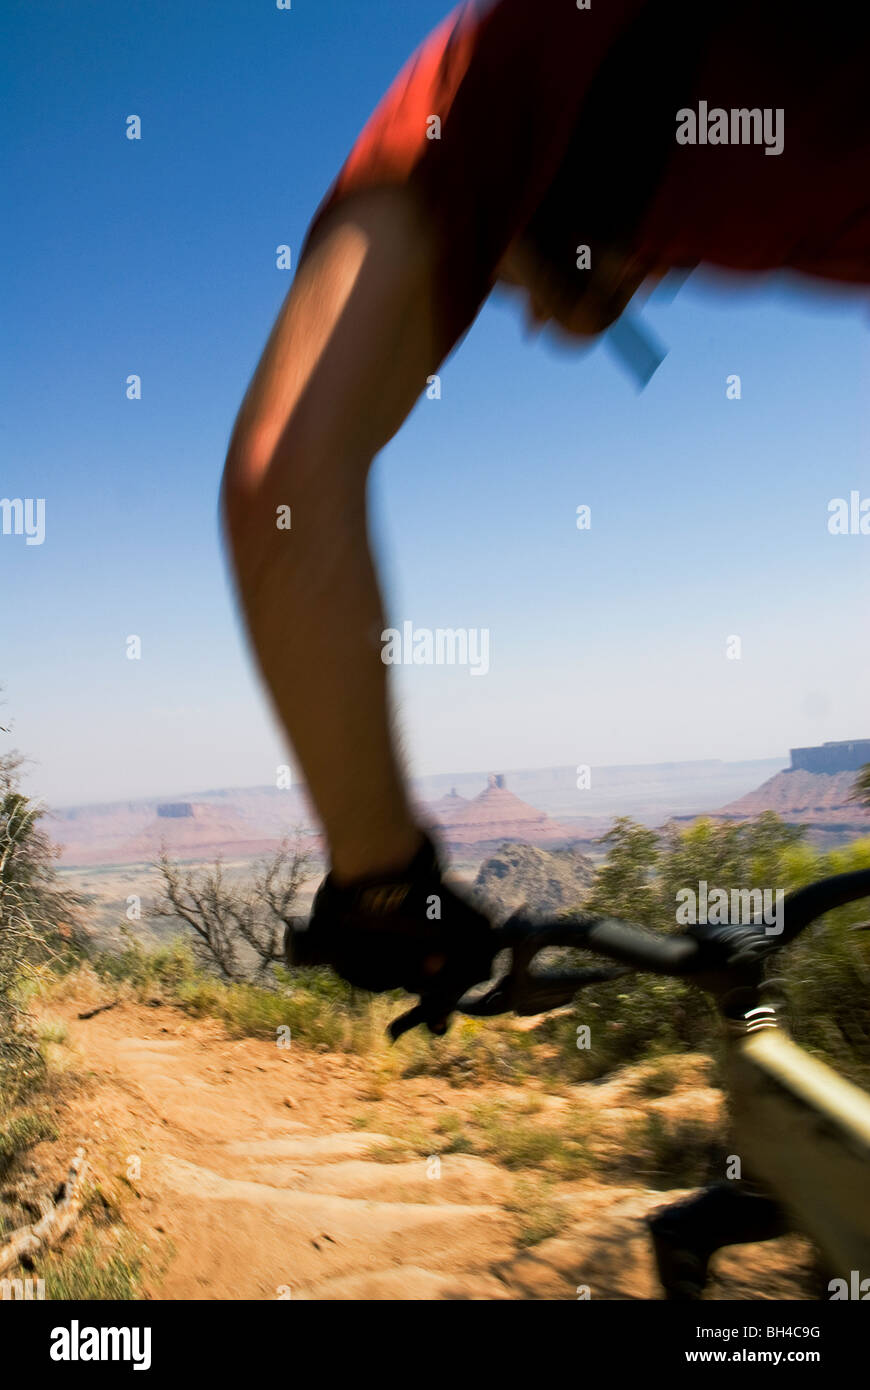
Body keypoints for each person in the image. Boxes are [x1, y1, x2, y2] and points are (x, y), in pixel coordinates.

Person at [220, 0, 870, 1019]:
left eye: (499, 281)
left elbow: (282, 477)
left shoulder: (482, 77)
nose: (521, 318)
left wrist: (385, 887)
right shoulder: (751, 178)